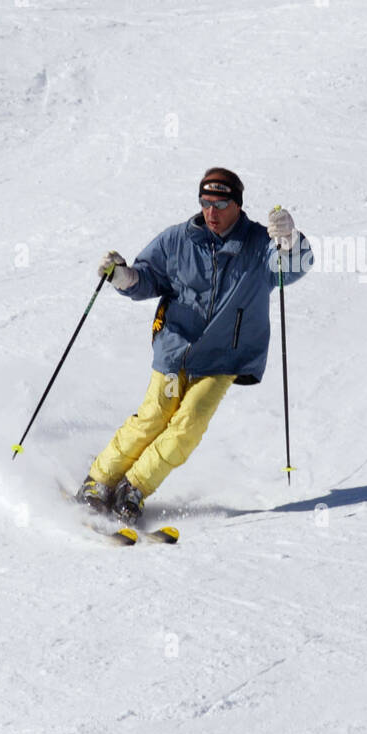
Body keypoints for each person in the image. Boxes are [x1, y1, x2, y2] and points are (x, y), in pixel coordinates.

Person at [76, 167, 312, 520]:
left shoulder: (260, 244)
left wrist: (292, 241)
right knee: (154, 417)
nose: (211, 212)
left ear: (237, 205)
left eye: (220, 203)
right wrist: (124, 277)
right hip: (174, 350)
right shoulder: (177, 241)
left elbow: (294, 268)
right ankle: (98, 481)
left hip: (223, 359)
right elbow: (147, 278)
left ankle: (134, 487)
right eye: (205, 203)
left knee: (189, 424)